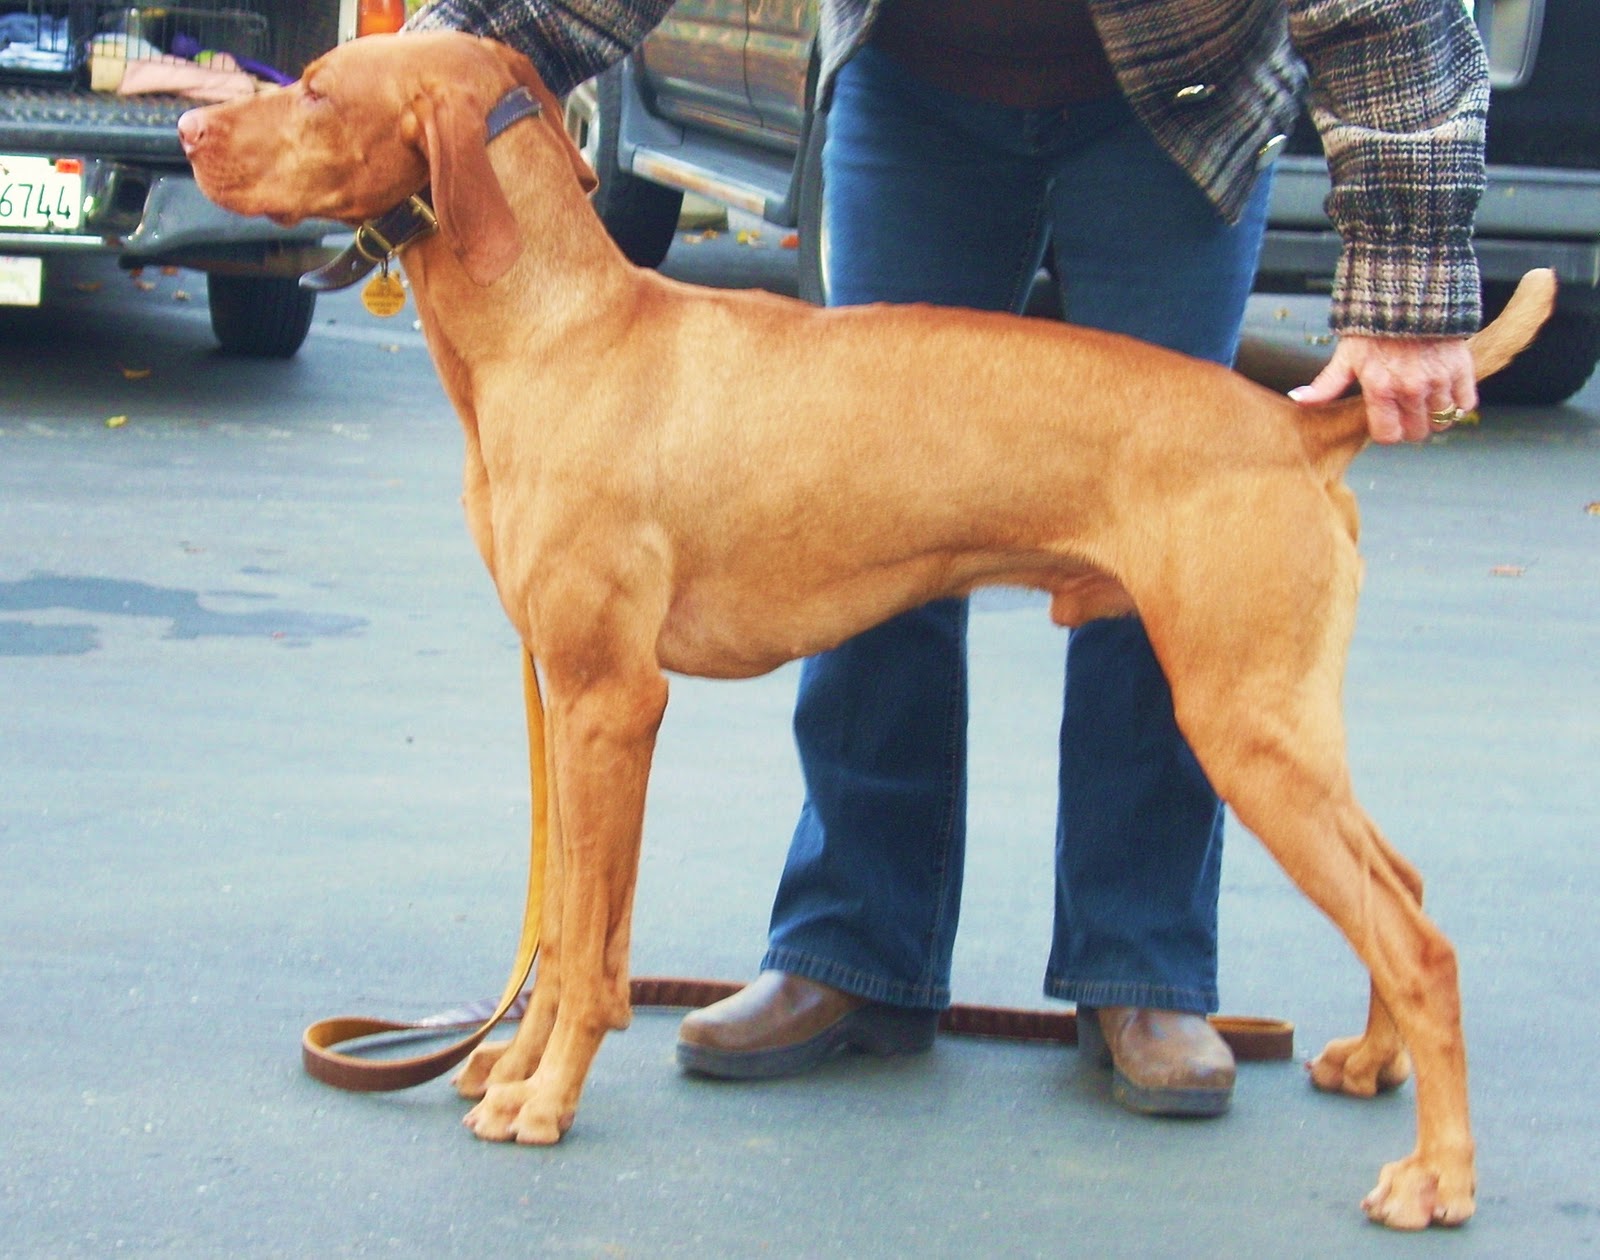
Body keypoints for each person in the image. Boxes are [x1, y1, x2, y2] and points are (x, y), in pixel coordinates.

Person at [408, 0, 1488, 1116]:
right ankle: (853, 950)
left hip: (1178, 104)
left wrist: (1408, 272)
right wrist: (420, 59)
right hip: (916, 86)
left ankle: (1145, 969)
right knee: (840, 512)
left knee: (1181, 564)